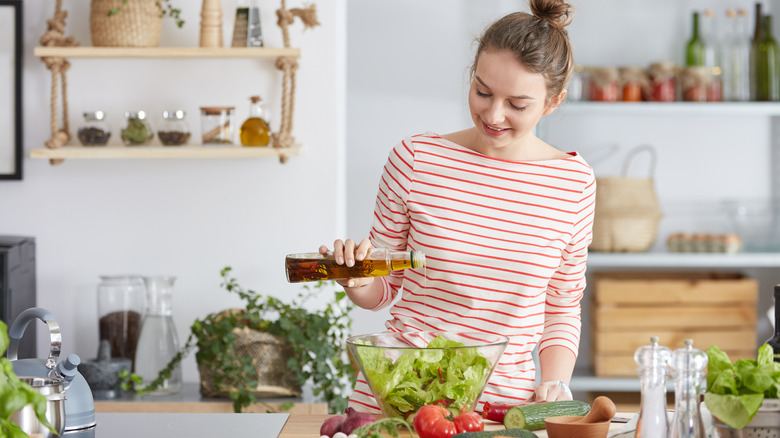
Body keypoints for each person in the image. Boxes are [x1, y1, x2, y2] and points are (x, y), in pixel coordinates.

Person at [323, 0, 596, 413]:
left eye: (517, 104)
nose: (493, 114)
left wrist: (556, 381)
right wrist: (355, 278)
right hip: (399, 396)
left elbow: (561, 304)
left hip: (499, 412)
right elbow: (384, 288)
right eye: (482, 91)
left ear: (552, 102)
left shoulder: (574, 184)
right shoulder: (416, 160)